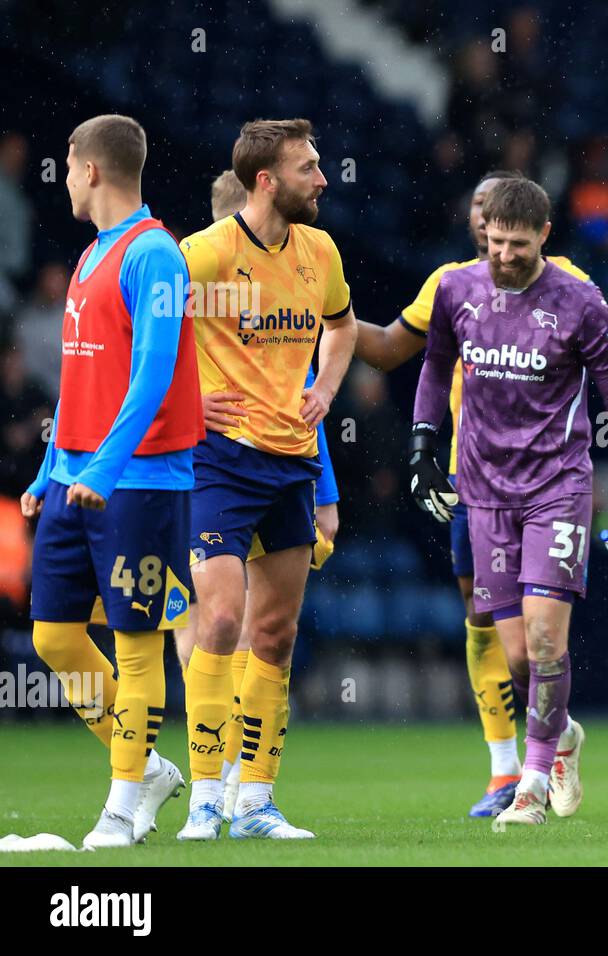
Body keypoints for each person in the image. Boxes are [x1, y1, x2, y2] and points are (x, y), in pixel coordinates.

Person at [352, 168, 608, 818]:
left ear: (542, 234)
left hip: (556, 489)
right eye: (496, 240)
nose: (506, 254)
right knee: (516, 654)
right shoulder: (454, 287)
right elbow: (431, 365)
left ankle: (531, 786)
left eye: (519, 243)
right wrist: (421, 448)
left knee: (546, 642)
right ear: (480, 230)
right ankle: (560, 731)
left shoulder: (576, 294)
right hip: (483, 493)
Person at [22, 114, 203, 848]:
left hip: (143, 482)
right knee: (53, 639)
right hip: (76, 477)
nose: (63, 178)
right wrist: (49, 469)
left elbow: (155, 374)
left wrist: (106, 465)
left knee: (136, 644)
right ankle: (149, 768)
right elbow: (81, 376)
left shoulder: (155, 254)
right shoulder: (93, 254)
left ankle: (123, 806)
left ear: (90, 169)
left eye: (67, 165)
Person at [177, 118, 357, 840]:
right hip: (219, 460)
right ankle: (203, 799)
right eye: (308, 168)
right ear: (266, 181)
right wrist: (188, 404)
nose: (322, 179)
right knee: (219, 620)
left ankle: (255, 800)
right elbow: (143, 335)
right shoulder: (206, 254)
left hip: (294, 462)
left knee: (275, 634)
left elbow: (342, 328)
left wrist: (328, 390)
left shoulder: (319, 251)